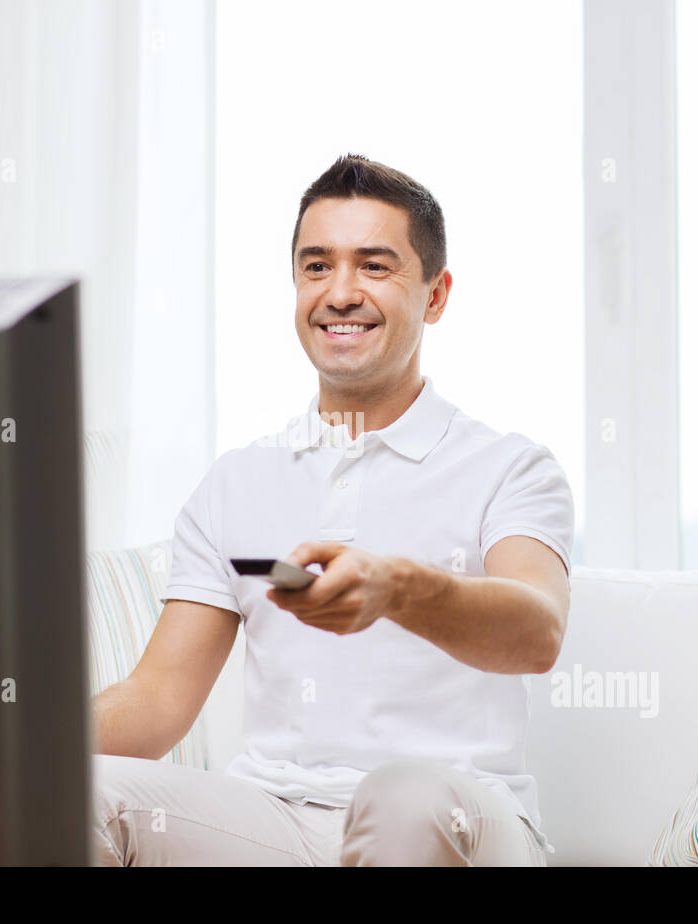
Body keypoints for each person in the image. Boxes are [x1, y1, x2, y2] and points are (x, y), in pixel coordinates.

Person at [92, 153, 574, 866]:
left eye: (374, 267)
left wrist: (399, 589)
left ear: (436, 295)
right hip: (277, 820)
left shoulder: (509, 468)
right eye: (317, 266)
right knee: (85, 791)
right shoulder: (237, 482)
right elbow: (159, 699)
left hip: (462, 817)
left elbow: (537, 633)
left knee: (404, 797)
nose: (340, 292)